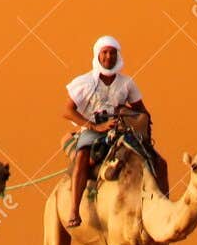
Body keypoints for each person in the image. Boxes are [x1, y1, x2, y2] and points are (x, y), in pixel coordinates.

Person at [61, 36, 154, 228]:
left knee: (149, 158)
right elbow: (67, 111)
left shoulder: (126, 83)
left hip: (120, 129)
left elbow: (142, 111)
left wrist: (131, 116)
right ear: (98, 54)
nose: (108, 57)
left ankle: (156, 201)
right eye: (105, 52)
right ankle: (74, 210)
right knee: (82, 157)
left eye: (112, 53)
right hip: (93, 130)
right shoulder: (85, 82)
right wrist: (93, 126)